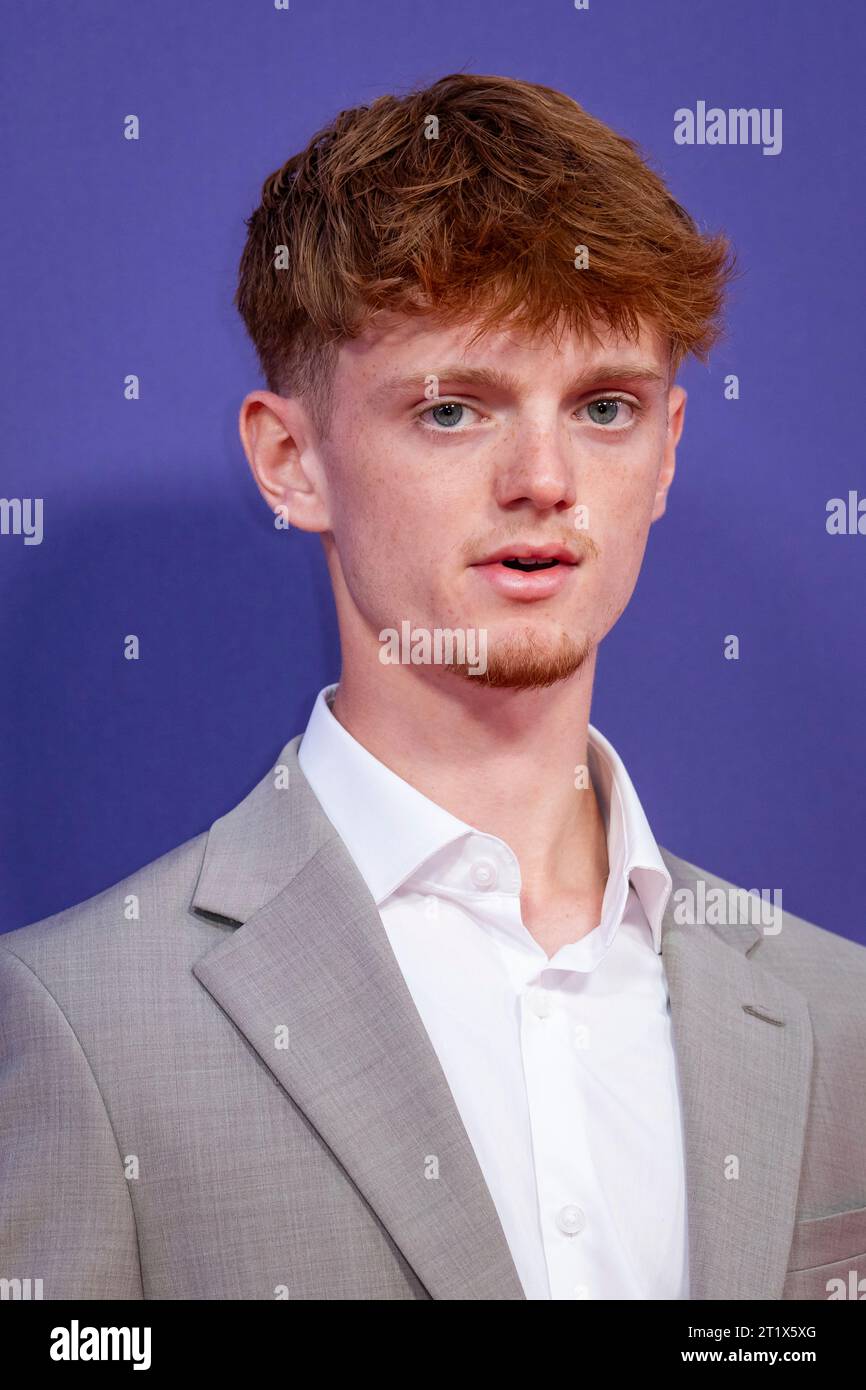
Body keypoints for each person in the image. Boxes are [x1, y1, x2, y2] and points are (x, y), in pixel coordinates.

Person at [2, 73, 864, 1302]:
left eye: (603, 406)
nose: (543, 478)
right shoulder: (77, 1026)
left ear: (667, 450)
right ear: (290, 460)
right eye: (454, 408)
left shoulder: (842, 1015)